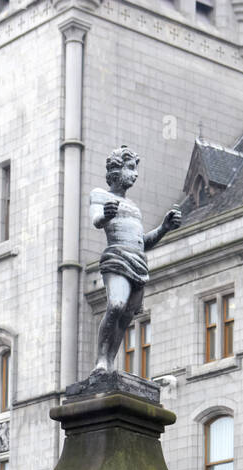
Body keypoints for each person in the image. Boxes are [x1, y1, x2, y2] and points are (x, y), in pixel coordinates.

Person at [90, 146, 182, 374]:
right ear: (116, 169)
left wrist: (164, 228)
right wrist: (106, 214)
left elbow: (142, 241)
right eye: (131, 168)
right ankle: (101, 359)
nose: (136, 174)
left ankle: (110, 362)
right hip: (117, 257)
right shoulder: (100, 195)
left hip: (138, 262)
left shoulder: (134, 208)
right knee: (116, 305)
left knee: (126, 316)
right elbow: (96, 220)